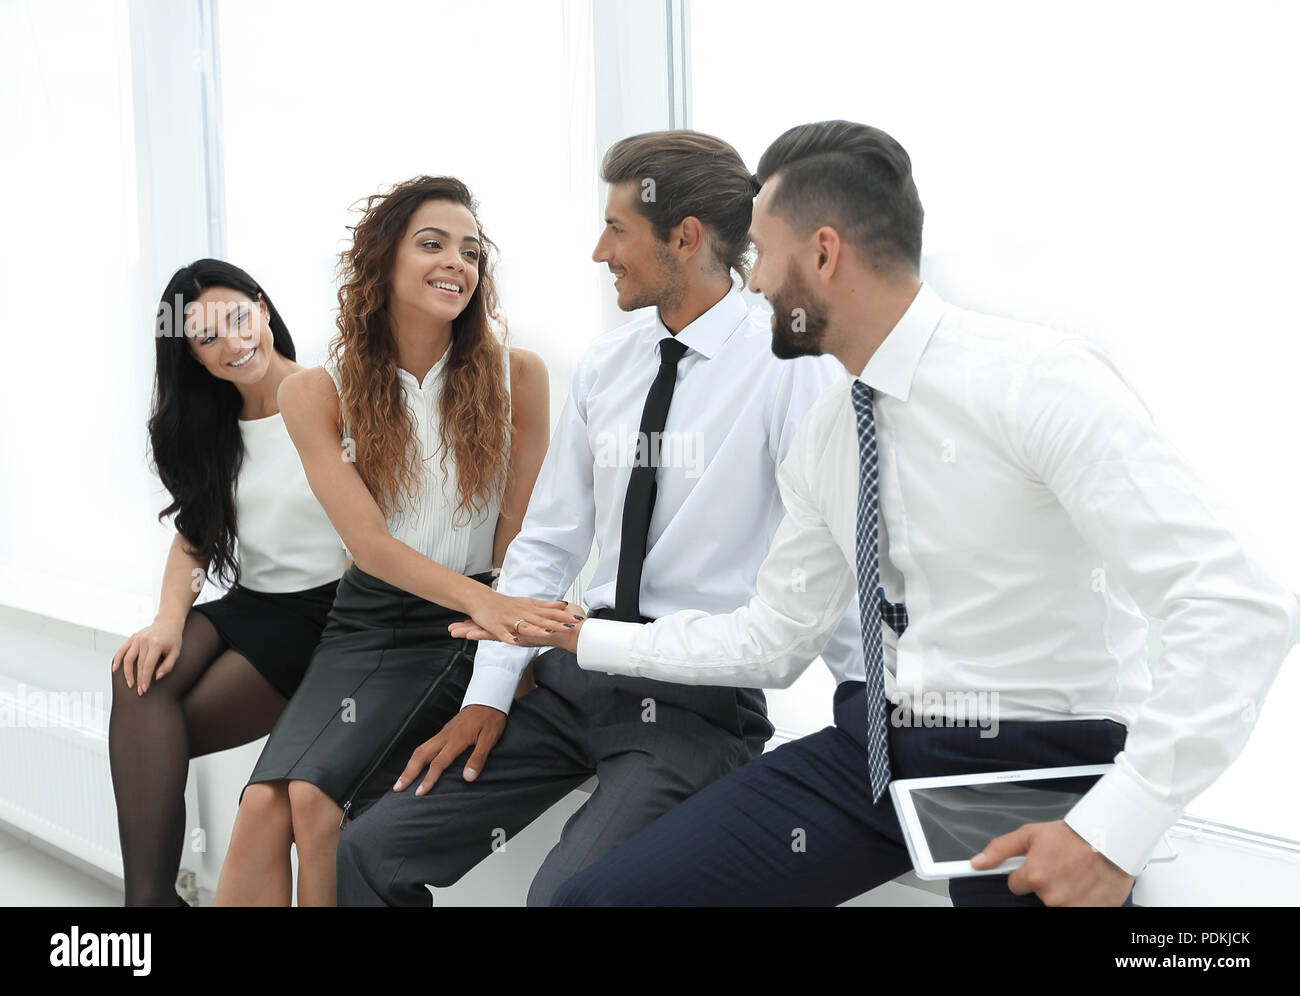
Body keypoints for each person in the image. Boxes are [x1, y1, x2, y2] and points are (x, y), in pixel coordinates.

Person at [492, 121, 1300, 907]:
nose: (754, 283)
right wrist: (578, 635)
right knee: (597, 899)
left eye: (763, 254)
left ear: (823, 253)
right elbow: (773, 639)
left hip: (1028, 765)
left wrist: (1114, 830)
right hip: (871, 751)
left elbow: (1236, 607)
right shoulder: (829, 430)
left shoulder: (1038, 382)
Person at [334, 131, 864, 907]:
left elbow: (841, 557)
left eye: (617, 229)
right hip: (573, 678)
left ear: (685, 237)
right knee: (368, 848)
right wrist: (489, 692)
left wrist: (877, 713)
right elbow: (549, 542)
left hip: (693, 701)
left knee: (568, 899)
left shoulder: (793, 369)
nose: (599, 251)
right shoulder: (609, 365)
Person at [213, 176, 568, 906]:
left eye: (471, 251)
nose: (456, 263)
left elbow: (521, 532)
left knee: (314, 803)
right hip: (367, 619)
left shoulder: (518, 376)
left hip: (459, 625)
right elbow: (368, 544)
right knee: (262, 807)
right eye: (432, 244)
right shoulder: (314, 391)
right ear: (383, 261)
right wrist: (492, 606)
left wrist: (508, 644)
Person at [110, 259, 349, 907]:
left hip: (324, 615)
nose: (233, 344)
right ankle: (150, 902)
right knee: (136, 677)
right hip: (248, 602)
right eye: (207, 338)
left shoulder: (336, 397)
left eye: (239, 319)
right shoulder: (212, 424)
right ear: (191, 355)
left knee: (155, 741)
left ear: (263, 308)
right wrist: (166, 621)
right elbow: (194, 534)